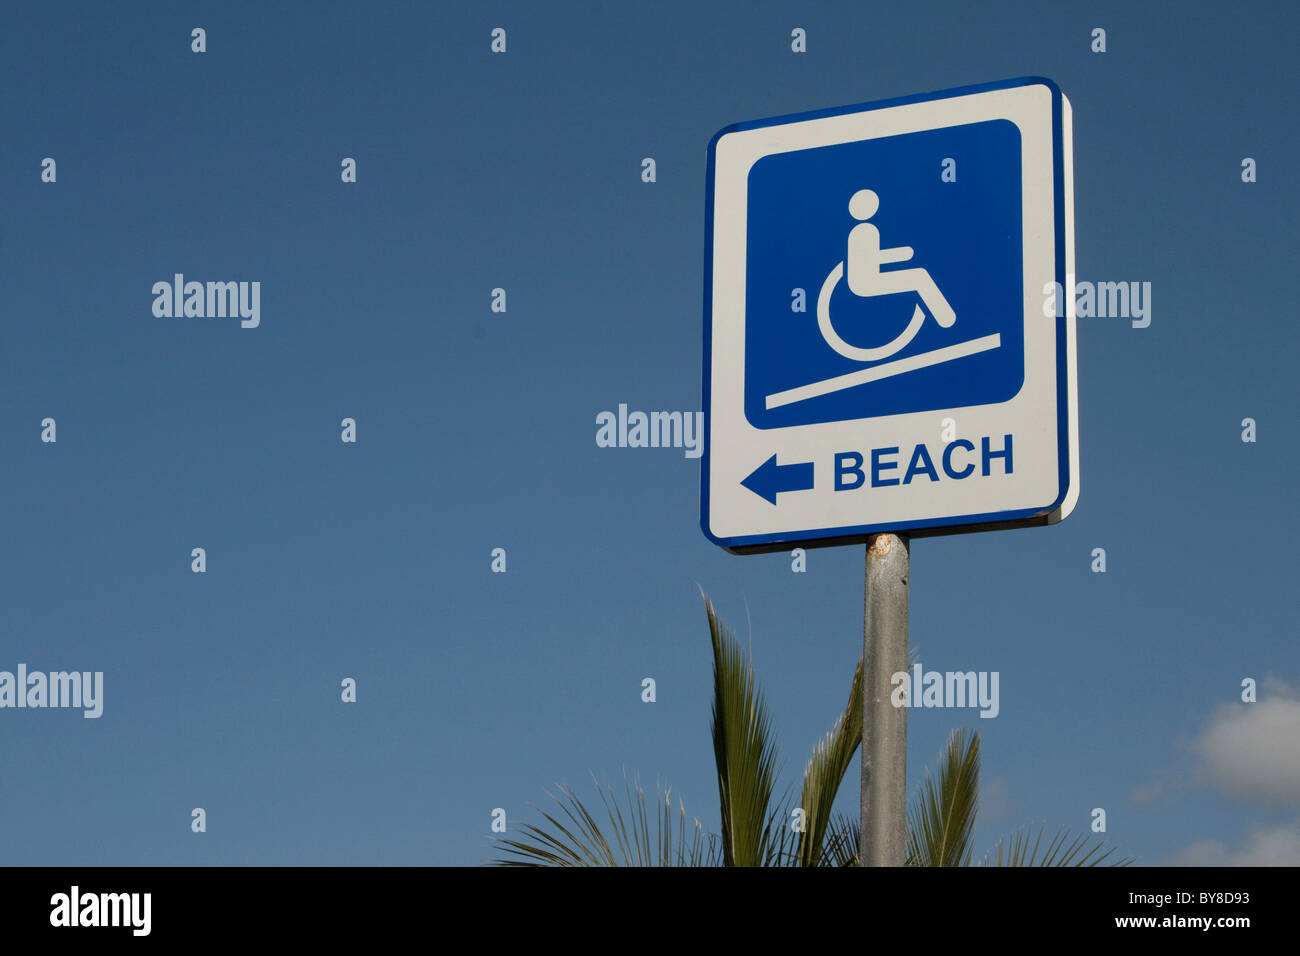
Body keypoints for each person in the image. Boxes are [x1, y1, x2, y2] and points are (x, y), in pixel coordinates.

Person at [844, 189, 955, 328]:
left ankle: (946, 318)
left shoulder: (863, 230)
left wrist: (902, 255)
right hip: (866, 283)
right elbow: (867, 261)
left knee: (918, 275)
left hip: (869, 278)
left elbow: (870, 260)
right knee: (918, 276)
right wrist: (903, 254)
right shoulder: (866, 231)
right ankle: (946, 319)